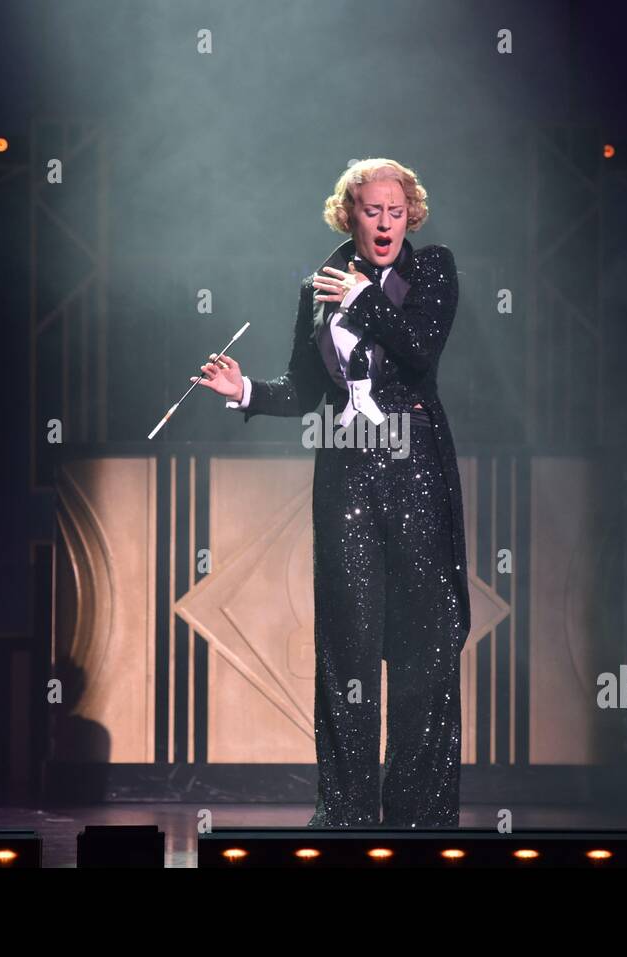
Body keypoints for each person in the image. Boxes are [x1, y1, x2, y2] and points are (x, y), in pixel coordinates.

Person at [192, 158, 470, 828]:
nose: (384, 223)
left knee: (425, 650)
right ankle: (345, 813)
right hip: (346, 476)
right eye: (371, 211)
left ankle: (421, 817)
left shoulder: (433, 269)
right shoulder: (316, 288)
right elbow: (304, 389)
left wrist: (361, 299)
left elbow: (420, 350)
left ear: (412, 215)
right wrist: (247, 393)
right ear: (349, 213)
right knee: (346, 650)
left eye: (395, 211)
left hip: (415, 474)